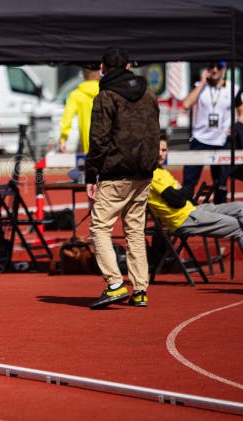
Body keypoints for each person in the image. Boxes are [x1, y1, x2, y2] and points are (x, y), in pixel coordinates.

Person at [150, 133, 243, 284]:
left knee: (241, 207)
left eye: (164, 150)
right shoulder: (152, 174)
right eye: (158, 150)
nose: (161, 154)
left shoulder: (163, 171)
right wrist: (182, 192)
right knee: (239, 226)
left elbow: (186, 195)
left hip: (195, 210)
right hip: (184, 219)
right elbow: (177, 201)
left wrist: (182, 192)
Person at [85, 47, 160, 309]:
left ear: (103, 68)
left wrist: (91, 173)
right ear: (128, 67)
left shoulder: (105, 96)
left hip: (116, 171)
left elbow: (98, 139)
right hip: (144, 173)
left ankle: (115, 284)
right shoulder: (149, 93)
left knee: (100, 227)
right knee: (135, 231)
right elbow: (155, 133)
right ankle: (140, 290)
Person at [181, 60, 243, 204]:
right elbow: (186, 104)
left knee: (221, 183)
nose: (214, 70)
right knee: (189, 182)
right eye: (211, 67)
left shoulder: (233, 89)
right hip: (200, 140)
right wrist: (202, 83)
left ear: (224, 69)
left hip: (222, 141)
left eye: (219, 67)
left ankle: (220, 212)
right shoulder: (199, 86)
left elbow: (242, 113)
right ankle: (187, 212)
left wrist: (237, 126)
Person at [58, 66, 100, 154]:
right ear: (98, 75)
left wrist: (63, 138)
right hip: (108, 142)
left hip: (88, 143)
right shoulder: (107, 92)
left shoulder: (76, 95)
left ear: (83, 76)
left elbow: (67, 118)